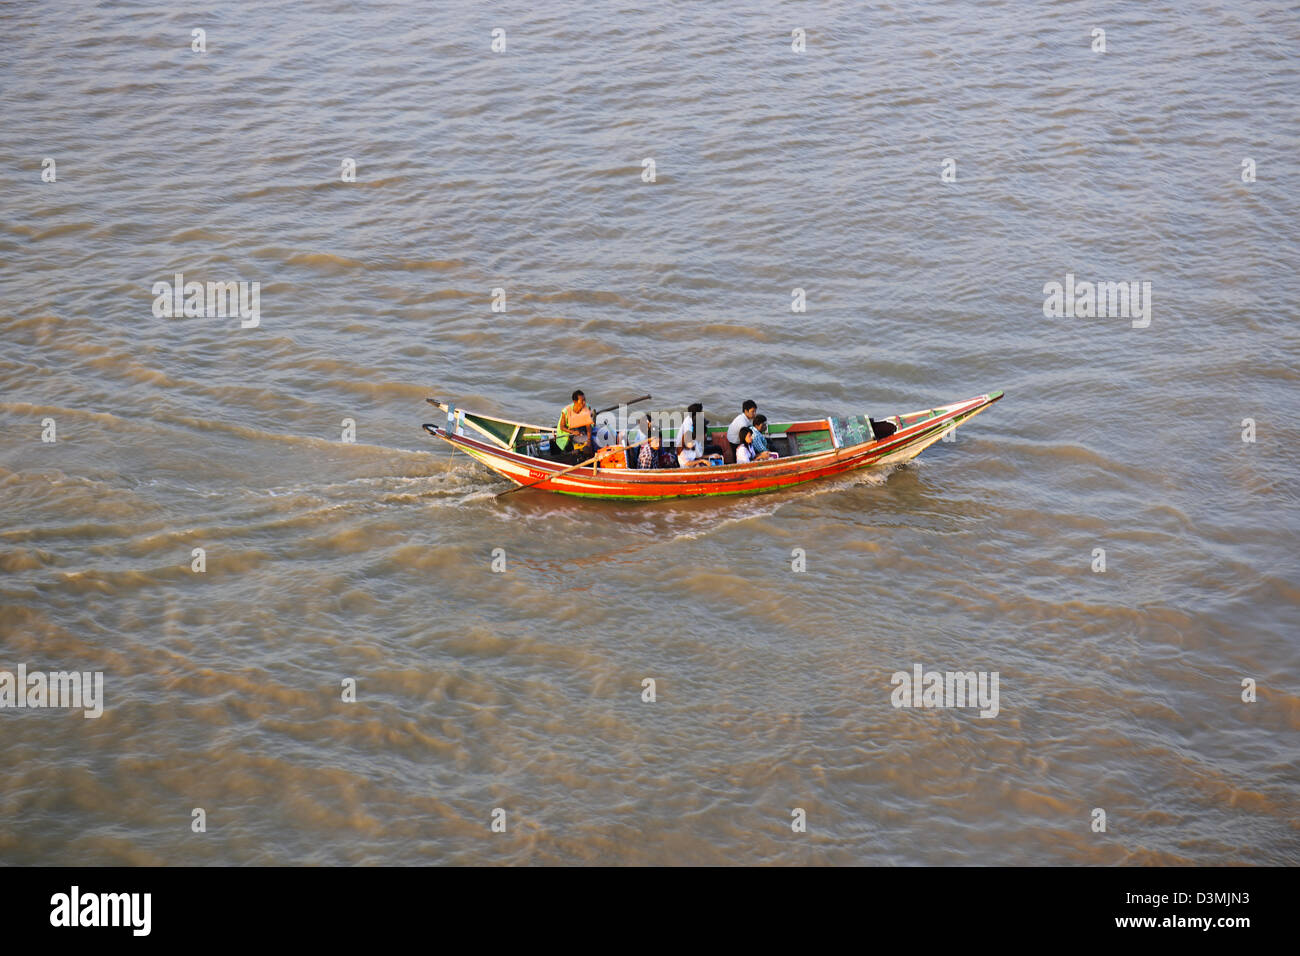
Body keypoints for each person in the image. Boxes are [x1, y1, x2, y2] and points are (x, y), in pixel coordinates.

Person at [555, 390, 595, 463]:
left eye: (584, 400)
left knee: (589, 446)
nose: (584, 403)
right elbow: (562, 427)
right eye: (582, 401)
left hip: (581, 429)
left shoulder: (587, 408)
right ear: (575, 401)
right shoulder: (566, 411)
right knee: (575, 450)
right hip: (569, 431)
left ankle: (590, 459)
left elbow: (588, 426)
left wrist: (589, 440)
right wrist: (573, 432)